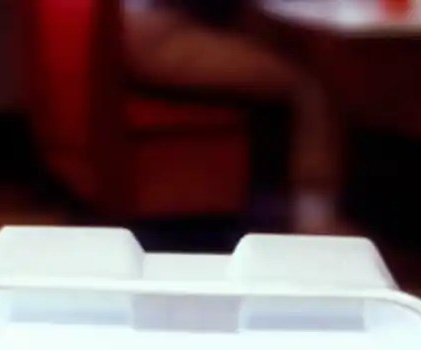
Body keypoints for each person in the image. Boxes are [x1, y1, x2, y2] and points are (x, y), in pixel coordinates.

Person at [120, 0, 347, 233]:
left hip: (164, 22)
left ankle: (284, 200)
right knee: (307, 87)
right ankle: (314, 217)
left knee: (301, 44)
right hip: (153, 32)